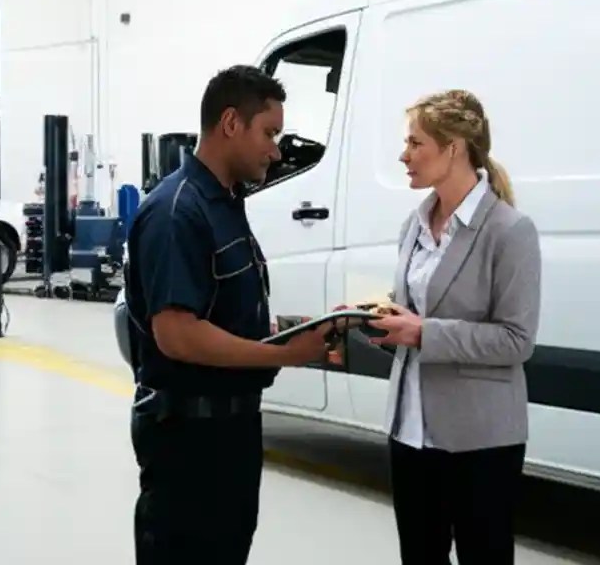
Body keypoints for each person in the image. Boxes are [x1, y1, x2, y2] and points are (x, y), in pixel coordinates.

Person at [124, 64, 334, 565]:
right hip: (188, 443)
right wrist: (278, 353)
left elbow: (223, 310)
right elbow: (177, 334)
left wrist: (293, 331)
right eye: (269, 133)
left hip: (229, 436)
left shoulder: (223, 202)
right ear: (231, 123)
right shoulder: (177, 211)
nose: (276, 150)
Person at [362, 89, 542, 565]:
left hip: (480, 439)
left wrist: (423, 332)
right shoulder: (414, 225)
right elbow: (416, 312)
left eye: (415, 143)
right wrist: (378, 321)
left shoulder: (509, 230)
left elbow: (516, 340)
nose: (404, 155)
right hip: (410, 431)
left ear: (454, 147)